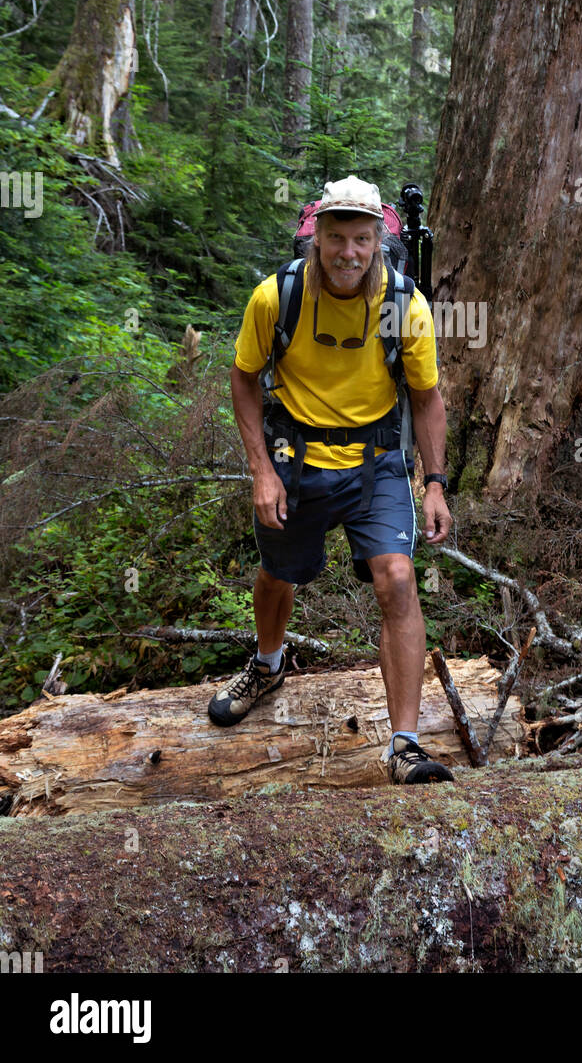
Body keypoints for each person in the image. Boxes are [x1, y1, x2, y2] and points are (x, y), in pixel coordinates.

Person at [210, 177, 455, 785]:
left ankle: (404, 745)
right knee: (277, 575)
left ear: (379, 243)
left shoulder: (405, 304)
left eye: (363, 240)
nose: (350, 253)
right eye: (338, 238)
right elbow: (244, 378)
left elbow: (426, 398)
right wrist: (261, 471)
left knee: (397, 579)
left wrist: (435, 482)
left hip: (375, 460)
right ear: (316, 238)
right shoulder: (277, 297)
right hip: (294, 456)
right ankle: (269, 665)